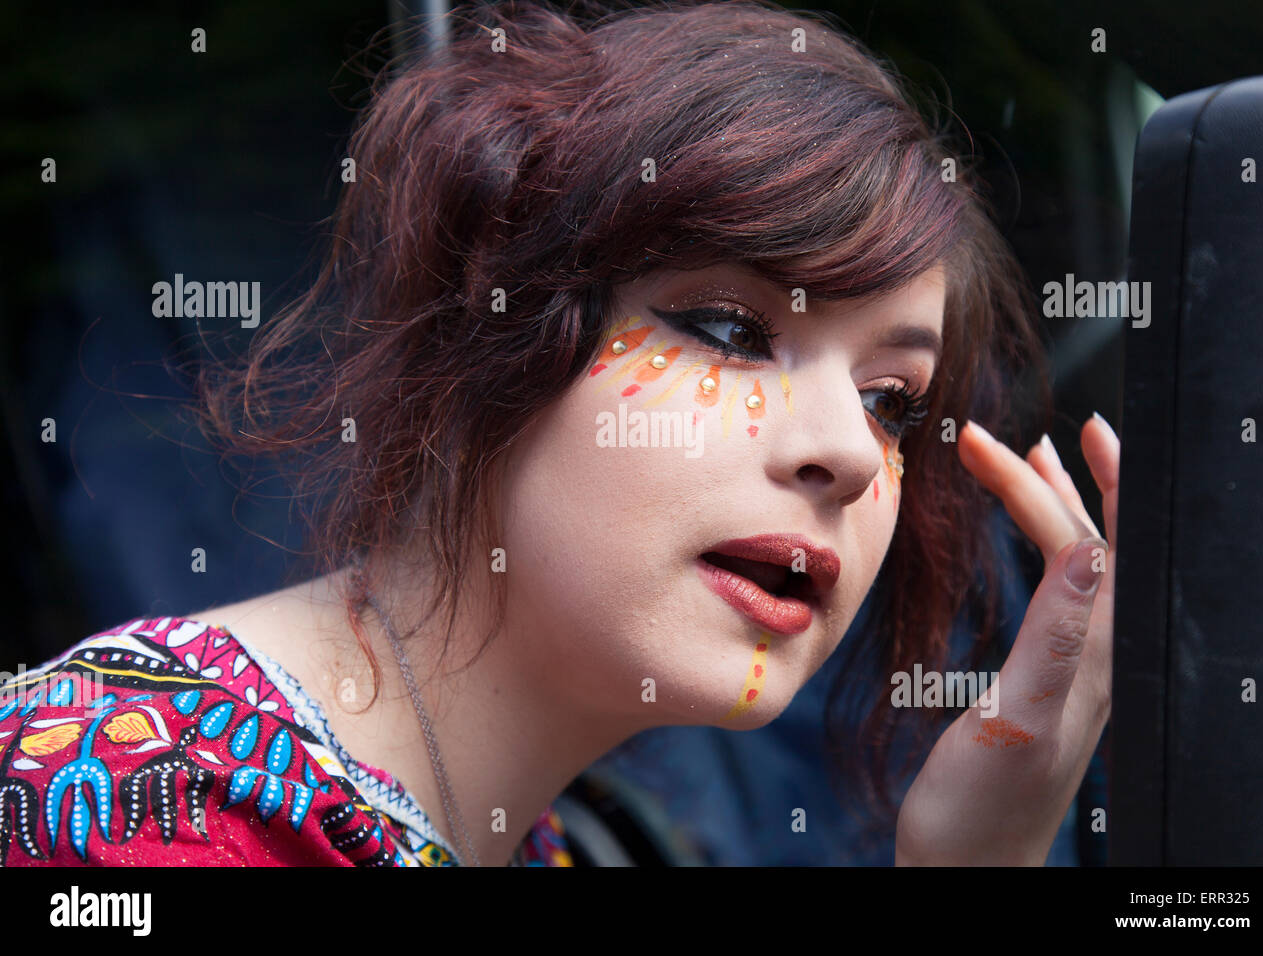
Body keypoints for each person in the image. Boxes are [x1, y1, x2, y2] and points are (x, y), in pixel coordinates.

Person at [0, 0, 1118, 867]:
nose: (852, 450)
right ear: (487, 323)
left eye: (893, 400)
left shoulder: (527, 836)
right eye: (730, 327)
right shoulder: (126, 809)